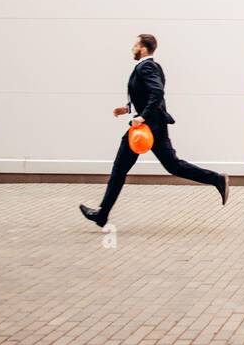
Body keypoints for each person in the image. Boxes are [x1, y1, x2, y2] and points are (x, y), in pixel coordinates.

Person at [79, 33, 228, 226]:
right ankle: (217, 179)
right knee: (171, 165)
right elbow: (148, 94)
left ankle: (102, 214)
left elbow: (157, 92)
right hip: (153, 125)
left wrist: (142, 117)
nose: (133, 48)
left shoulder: (146, 66)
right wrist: (128, 108)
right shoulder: (151, 67)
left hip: (147, 127)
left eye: (135, 44)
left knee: (120, 169)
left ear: (143, 48)